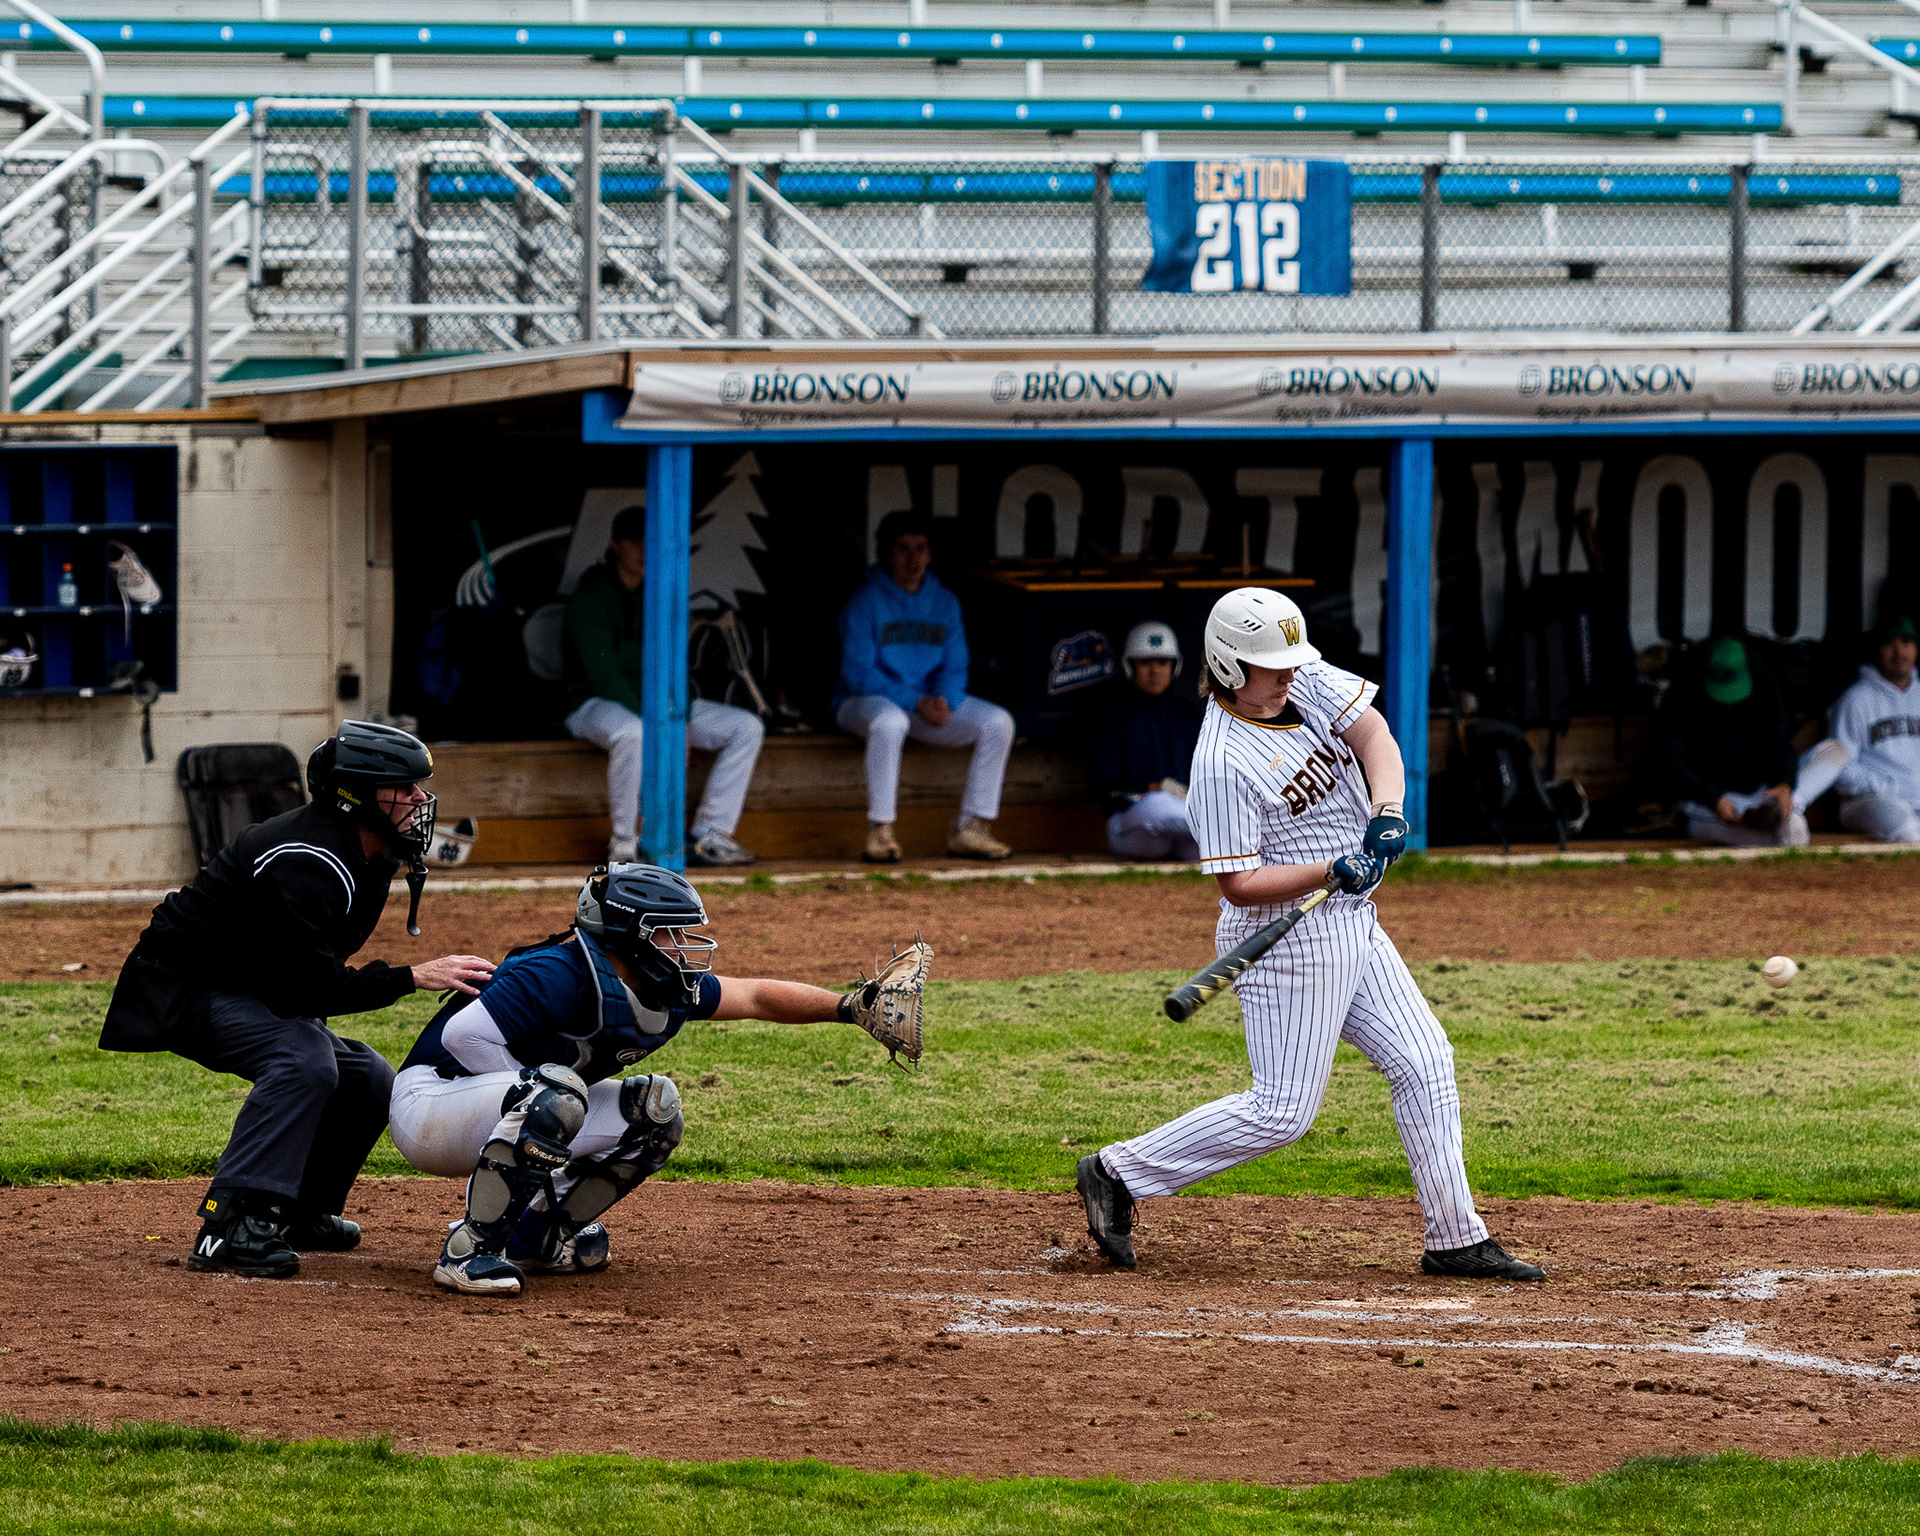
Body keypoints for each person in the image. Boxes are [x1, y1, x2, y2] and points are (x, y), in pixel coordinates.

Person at [1074, 588, 1544, 1282]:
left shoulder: (1306, 676)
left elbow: (1374, 736)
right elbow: (1239, 882)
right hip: (1288, 941)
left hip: (1351, 920)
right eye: (1273, 667)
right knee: (1282, 1113)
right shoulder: (1221, 762)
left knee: (1425, 1062)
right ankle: (1117, 1172)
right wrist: (1330, 867)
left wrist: (1387, 811)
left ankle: (1455, 1237)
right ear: (1230, 667)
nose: (1289, 675)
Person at [387, 863, 929, 1295]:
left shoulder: (659, 982)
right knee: (558, 1093)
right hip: (431, 1105)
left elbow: (756, 996)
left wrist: (847, 1006)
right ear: (629, 935)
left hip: (506, 1104)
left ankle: (537, 1237)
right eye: (670, 933)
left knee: (655, 1110)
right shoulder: (558, 971)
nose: (684, 945)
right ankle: (469, 1252)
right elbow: (464, 1037)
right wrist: (535, 1102)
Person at [99, 720, 496, 1279]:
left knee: (366, 1077)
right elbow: (308, 986)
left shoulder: (369, 852)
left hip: (246, 983)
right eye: (403, 788)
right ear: (357, 795)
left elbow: (302, 975)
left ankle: (295, 1213)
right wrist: (412, 976)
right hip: (181, 987)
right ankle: (230, 1225)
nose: (418, 798)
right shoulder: (306, 859)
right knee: (302, 1059)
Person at [563, 504, 765, 868]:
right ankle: (624, 843)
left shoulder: (659, 591)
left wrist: (679, 718)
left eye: (650, 542)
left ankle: (710, 833)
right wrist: (661, 723)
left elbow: (673, 668)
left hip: (656, 704)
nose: (644, 550)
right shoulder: (593, 593)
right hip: (593, 703)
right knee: (633, 734)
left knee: (745, 727)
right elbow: (603, 675)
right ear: (615, 545)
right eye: (634, 542)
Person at [833, 510, 1015, 864]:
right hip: (862, 703)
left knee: (998, 722)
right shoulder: (866, 600)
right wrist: (917, 701)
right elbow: (858, 672)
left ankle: (971, 828)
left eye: (920, 548)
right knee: (890, 722)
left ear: (930, 555)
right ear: (887, 555)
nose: (912, 558)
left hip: (923, 706)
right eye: (903, 549)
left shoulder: (944, 602)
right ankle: (881, 830)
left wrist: (943, 700)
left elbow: (955, 664)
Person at [1654, 636, 1818, 849]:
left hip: (1759, 793)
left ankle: (1792, 803)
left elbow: (1780, 746)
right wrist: (1713, 799)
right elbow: (1670, 764)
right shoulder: (1682, 695)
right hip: (1707, 802)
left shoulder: (1764, 685)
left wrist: (1783, 785)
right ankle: (1784, 812)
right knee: (1786, 833)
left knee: (1833, 751)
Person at [1795, 615, 1920, 842]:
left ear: (1916, 649)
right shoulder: (1856, 699)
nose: (1899, 651)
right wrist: (1887, 786)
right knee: (1906, 827)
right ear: (1877, 651)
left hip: (1915, 800)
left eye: (1906, 642)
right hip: (1869, 800)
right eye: (1889, 643)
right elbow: (1842, 767)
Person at [1093, 621, 1203, 861]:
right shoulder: (1113, 716)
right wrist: (1154, 787)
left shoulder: (1190, 715)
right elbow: (1106, 791)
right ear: (1130, 665)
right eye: (1145, 663)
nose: (1155, 671)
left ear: (1174, 666)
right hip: (1133, 823)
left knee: (1202, 850)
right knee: (1159, 804)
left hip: (1183, 822)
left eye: (1162, 662)